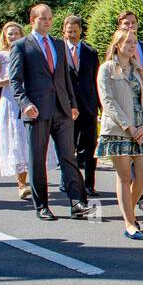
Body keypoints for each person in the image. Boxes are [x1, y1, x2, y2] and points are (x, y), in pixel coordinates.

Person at [7, 3, 91, 220]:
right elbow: (15, 81)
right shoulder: (21, 46)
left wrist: (72, 103)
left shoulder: (58, 44)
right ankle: (42, 205)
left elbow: (65, 78)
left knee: (68, 156)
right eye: (43, 18)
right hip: (36, 111)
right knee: (38, 159)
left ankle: (77, 202)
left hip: (61, 109)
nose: (47, 22)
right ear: (32, 20)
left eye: (50, 18)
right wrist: (25, 103)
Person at [95, 29, 143, 240]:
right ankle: (130, 223)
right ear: (117, 44)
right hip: (119, 130)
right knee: (123, 177)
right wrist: (128, 126)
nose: (132, 45)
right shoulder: (107, 69)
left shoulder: (139, 70)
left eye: (134, 42)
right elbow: (108, 101)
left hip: (141, 130)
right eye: (127, 42)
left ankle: (127, 211)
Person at [0, 21, 57, 201]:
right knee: (17, 141)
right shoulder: (0, 56)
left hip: (29, 98)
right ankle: (21, 184)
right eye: (9, 34)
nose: (13, 37)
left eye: (16, 33)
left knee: (33, 141)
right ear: (4, 36)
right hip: (11, 101)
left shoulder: (29, 52)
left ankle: (37, 179)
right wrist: (9, 80)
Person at [117, 10, 143, 214]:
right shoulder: (111, 63)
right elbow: (108, 98)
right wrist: (128, 125)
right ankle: (135, 207)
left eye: (133, 22)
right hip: (124, 122)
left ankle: (137, 201)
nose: (130, 26)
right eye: (126, 23)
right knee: (126, 171)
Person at [62, 15, 101, 197]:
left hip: (89, 106)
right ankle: (67, 181)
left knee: (90, 146)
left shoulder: (90, 52)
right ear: (64, 31)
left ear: (80, 31)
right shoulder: (59, 51)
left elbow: (96, 80)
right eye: (69, 31)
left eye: (75, 31)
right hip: (68, 107)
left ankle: (89, 184)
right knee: (68, 146)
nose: (72, 34)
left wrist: (100, 106)